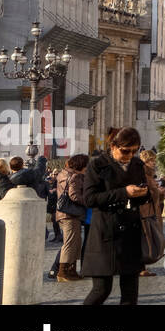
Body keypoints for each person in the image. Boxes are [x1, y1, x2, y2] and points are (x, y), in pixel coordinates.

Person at [82, 128, 151, 305]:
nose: (130, 155)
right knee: (101, 290)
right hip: (105, 231)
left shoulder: (137, 165)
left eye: (135, 151)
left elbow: (143, 196)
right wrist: (124, 192)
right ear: (113, 146)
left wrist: (144, 193)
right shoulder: (97, 165)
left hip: (130, 231)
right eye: (125, 151)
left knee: (130, 293)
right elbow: (89, 199)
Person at [55, 154, 89, 283]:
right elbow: (74, 195)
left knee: (75, 242)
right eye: (86, 165)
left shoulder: (63, 173)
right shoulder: (74, 176)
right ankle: (63, 272)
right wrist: (87, 201)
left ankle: (71, 270)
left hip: (64, 213)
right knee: (70, 243)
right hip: (70, 214)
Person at [138, 150, 165, 278]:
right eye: (151, 161)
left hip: (151, 211)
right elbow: (143, 193)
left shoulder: (149, 175)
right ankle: (140, 267)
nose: (154, 163)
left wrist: (160, 193)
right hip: (145, 212)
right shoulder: (142, 175)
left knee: (149, 240)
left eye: (154, 160)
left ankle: (142, 267)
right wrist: (157, 192)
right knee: (147, 240)